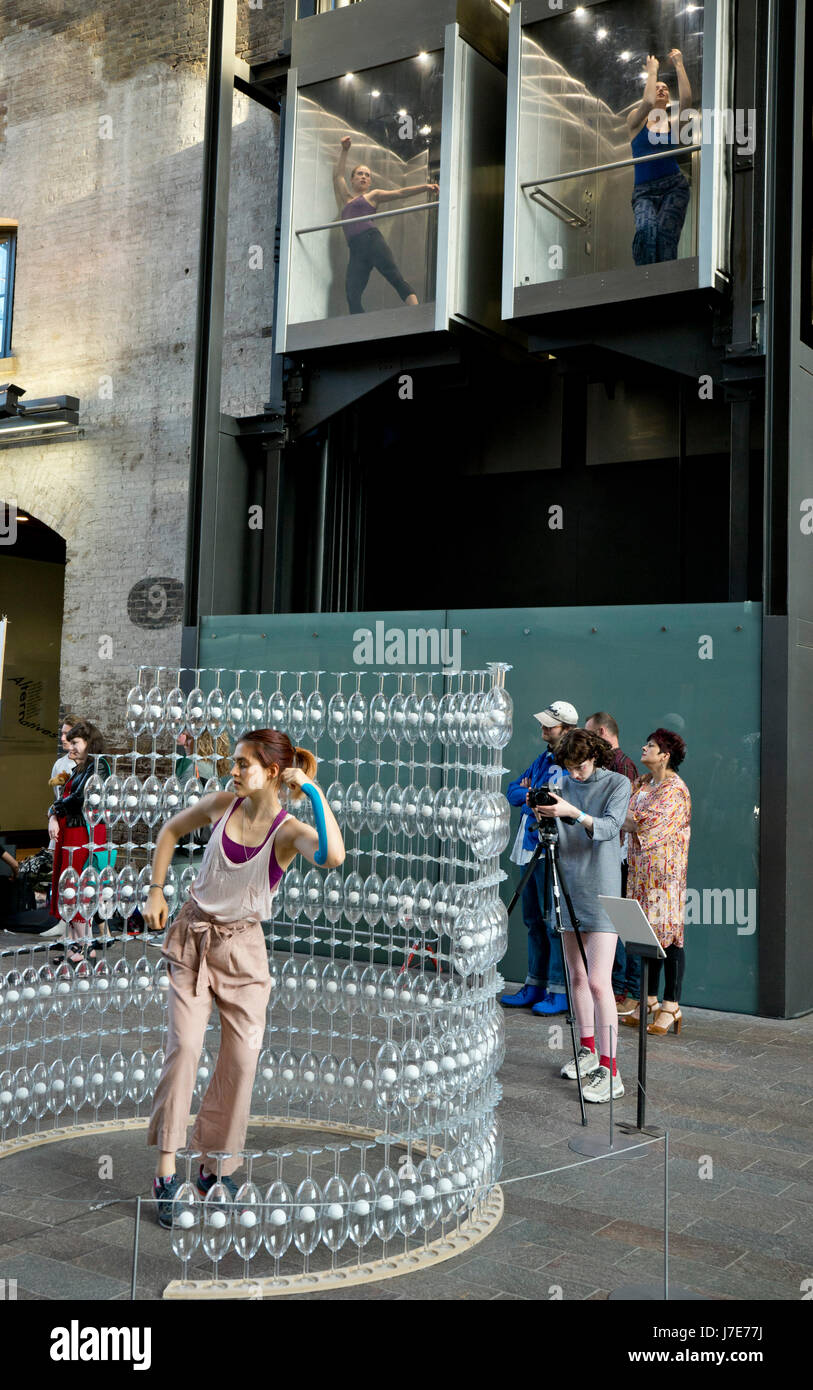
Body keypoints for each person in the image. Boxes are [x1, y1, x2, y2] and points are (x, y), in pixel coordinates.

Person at [144, 728, 345, 1228]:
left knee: (241, 1060)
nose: (232, 771)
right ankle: (167, 1172)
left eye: (242, 764)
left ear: (272, 772)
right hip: (192, 939)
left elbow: (334, 855)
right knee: (185, 1049)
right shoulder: (221, 804)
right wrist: (156, 889)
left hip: (244, 954)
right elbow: (170, 831)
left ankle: (216, 1168)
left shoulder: (287, 831)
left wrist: (316, 793)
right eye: (233, 763)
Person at [533, 727, 632, 1103]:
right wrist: (544, 812)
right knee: (575, 977)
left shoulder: (618, 783)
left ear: (594, 756)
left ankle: (612, 1071)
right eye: (569, 768)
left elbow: (608, 828)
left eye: (580, 767)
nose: (575, 775)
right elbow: (555, 831)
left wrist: (571, 811)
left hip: (601, 892)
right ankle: (589, 1051)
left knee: (597, 983)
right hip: (566, 885)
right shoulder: (561, 781)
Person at [502, 700, 579, 1016]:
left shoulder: (573, 762)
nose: (544, 728)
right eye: (545, 723)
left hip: (553, 851)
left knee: (554, 923)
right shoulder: (543, 757)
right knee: (533, 920)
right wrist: (531, 794)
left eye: (551, 724)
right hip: (529, 846)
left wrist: (532, 793)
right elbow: (513, 791)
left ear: (567, 729)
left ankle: (559, 991)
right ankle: (535, 985)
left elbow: (553, 801)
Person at [622, 729, 691, 1036]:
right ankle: (649, 999)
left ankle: (672, 1005)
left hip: (665, 875)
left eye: (650, 745)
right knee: (645, 934)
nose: (644, 748)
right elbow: (630, 816)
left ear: (665, 755)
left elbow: (644, 823)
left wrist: (619, 817)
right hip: (640, 870)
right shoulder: (645, 783)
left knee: (670, 936)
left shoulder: (675, 790)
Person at [334, 136, 439, 315]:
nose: (364, 177)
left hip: (372, 241)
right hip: (356, 250)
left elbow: (400, 192)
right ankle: (359, 327)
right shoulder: (346, 199)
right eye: (360, 174)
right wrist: (344, 150)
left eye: (367, 175)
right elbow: (338, 176)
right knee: (352, 293)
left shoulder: (373, 195)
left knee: (394, 276)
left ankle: (416, 312)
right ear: (352, 180)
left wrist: (425, 187)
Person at [584, 712, 640, 1014]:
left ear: (602, 731)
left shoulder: (621, 768)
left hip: (617, 855)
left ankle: (623, 990)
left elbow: (623, 819)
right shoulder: (610, 767)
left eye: (590, 733)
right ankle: (615, 987)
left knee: (618, 922)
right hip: (608, 853)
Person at [46, 720, 111, 963]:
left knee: (78, 889)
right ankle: (75, 949)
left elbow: (77, 799)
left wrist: (54, 810)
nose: (69, 746)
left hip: (84, 835)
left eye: (75, 742)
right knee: (69, 889)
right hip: (72, 833)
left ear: (88, 743)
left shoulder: (98, 766)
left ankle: (87, 947)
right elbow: (64, 798)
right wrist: (53, 813)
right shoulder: (79, 768)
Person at [627, 51, 693, 266]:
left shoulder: (673, 125)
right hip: (644, 191)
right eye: (657, 87)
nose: (662, 90)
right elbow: (646, 102)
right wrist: (652, 72)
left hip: (673, 187)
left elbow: (687, 101)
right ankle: (644, 283)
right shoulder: (635, 120)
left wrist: (679, 65)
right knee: (646, 231)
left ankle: (666, 286)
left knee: (665, 236)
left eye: (665, 88)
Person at [48, 716, 78, 854]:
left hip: (78, 831)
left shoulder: (90, 764)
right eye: (62, 733)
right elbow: (58, 799)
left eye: (67, 734)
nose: (62, 738)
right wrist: (52, 817)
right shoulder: (59, 764)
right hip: (59, 828)